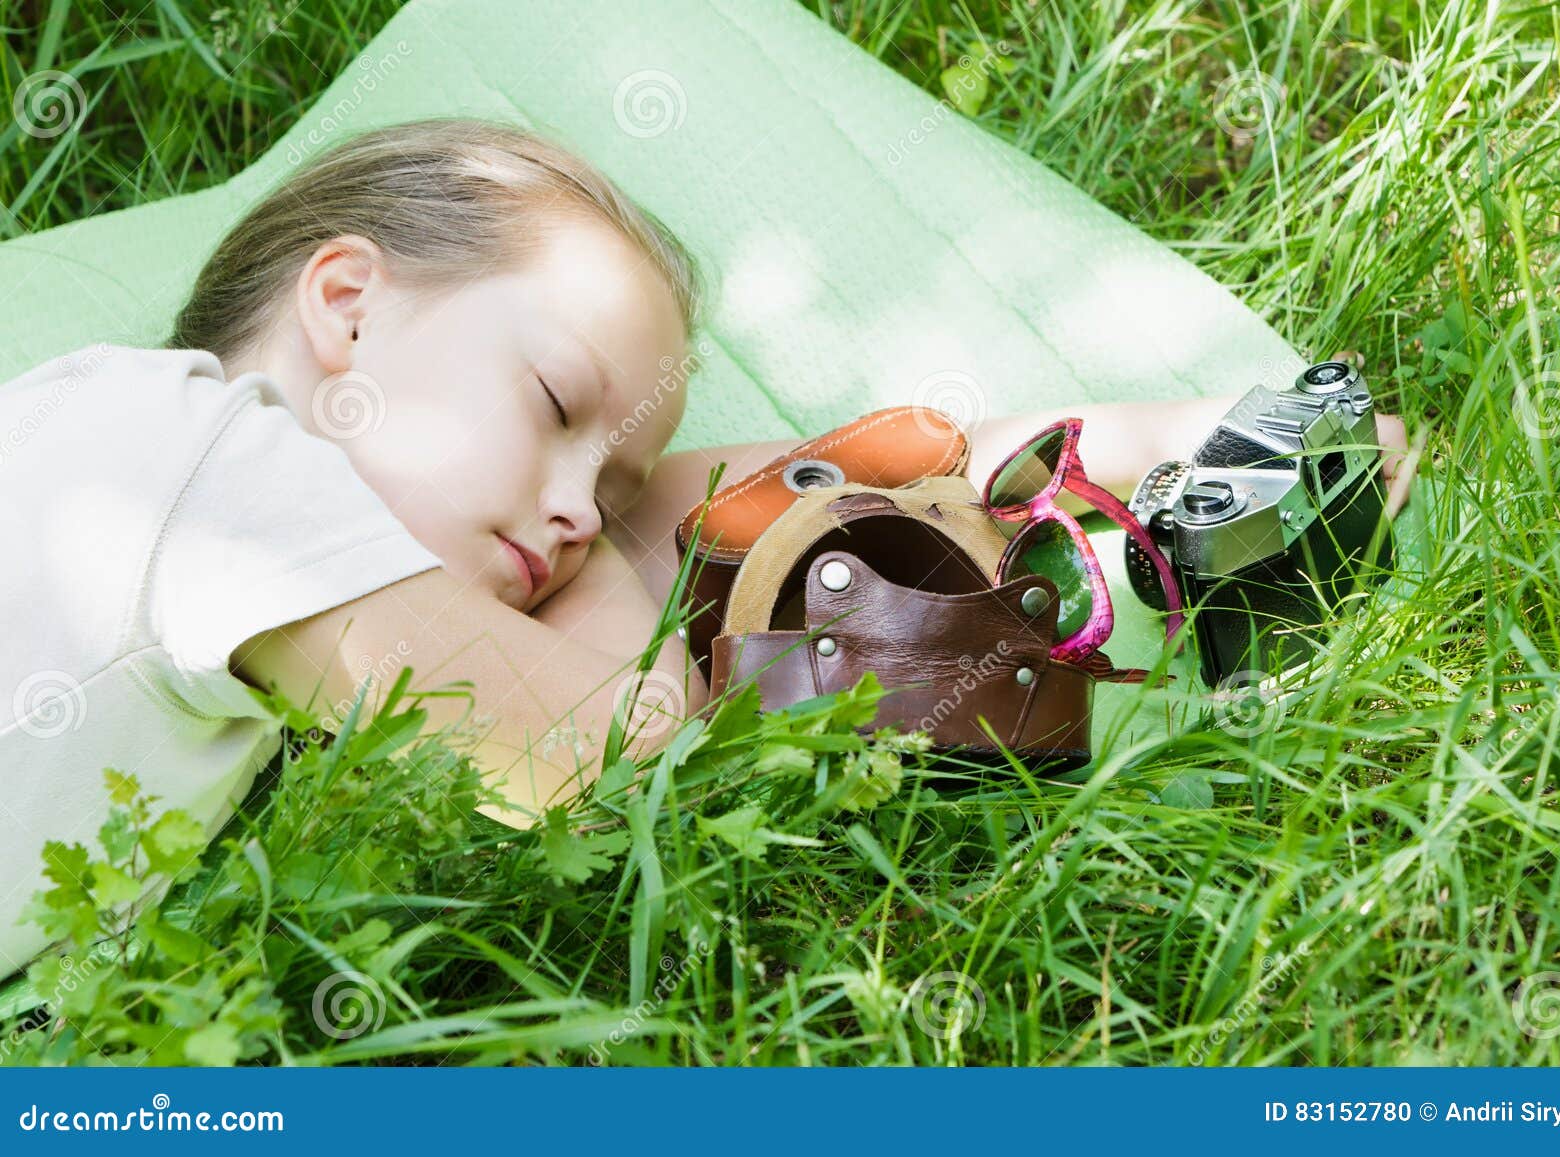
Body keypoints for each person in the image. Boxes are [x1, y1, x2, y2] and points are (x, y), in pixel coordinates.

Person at [0, 117, 1416, 977]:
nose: (571, 514)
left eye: (602, 479)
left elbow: (757, 490)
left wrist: (1154, 427)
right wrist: (635, 529)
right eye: (552, 403)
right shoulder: (185, 457)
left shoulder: (252, 608)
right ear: (350, 307)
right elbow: (591, 756)